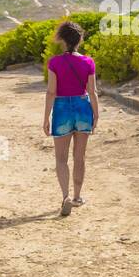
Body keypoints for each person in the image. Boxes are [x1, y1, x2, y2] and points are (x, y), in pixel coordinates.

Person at [43, 20, 99, 216]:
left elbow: (51, 92)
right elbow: (92, 91)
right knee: (79, 156)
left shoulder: (54, 62)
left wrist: (46, 118)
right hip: (83, 107)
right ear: (79, 40)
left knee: (60, 158)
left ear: (62, 40)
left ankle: (65, 196)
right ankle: (77, 197)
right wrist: (96, 114)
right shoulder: (88, 62)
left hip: (62, 109)